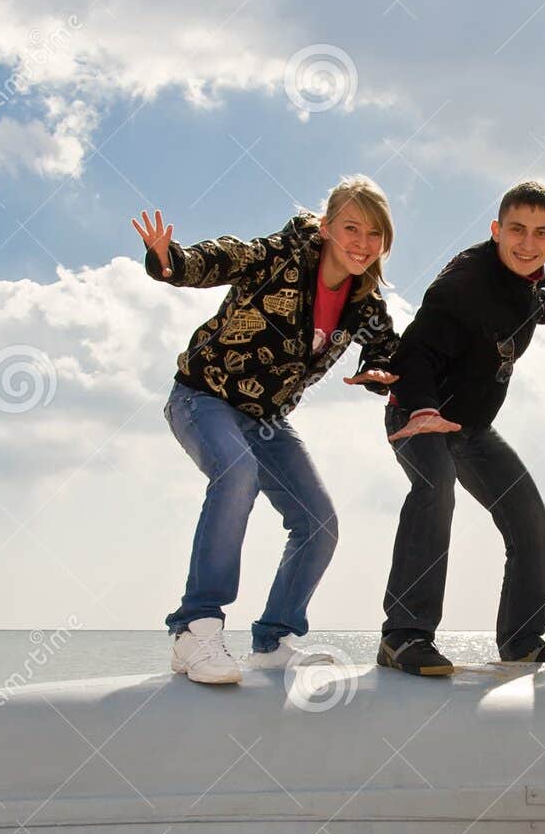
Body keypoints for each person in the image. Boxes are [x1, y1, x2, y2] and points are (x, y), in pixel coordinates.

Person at [133, 175, 401, 685]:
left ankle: (275, 641)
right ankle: (195, 629)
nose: (361, 244)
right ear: (325, 228)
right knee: (237, 476)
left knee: (318, 523)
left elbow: (385, 345)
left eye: (374, 234)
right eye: (350, 228)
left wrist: (380, 370)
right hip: (203, 396)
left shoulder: (364, 302)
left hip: (266, 420)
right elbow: (225, 257)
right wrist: (171, 262)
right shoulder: (280, 254)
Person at [378, 181, 545, 675]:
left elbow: (530, 304)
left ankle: (523, 642)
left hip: (472, 428)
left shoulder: (525, 283)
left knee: (535, 526)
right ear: (496, 230)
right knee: (435, 490)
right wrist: (421, 410)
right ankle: (404, 636)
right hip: (418, 415)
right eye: (517, 231)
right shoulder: (460, 285)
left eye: (540, 233)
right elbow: (414, 351)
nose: (527, 244)